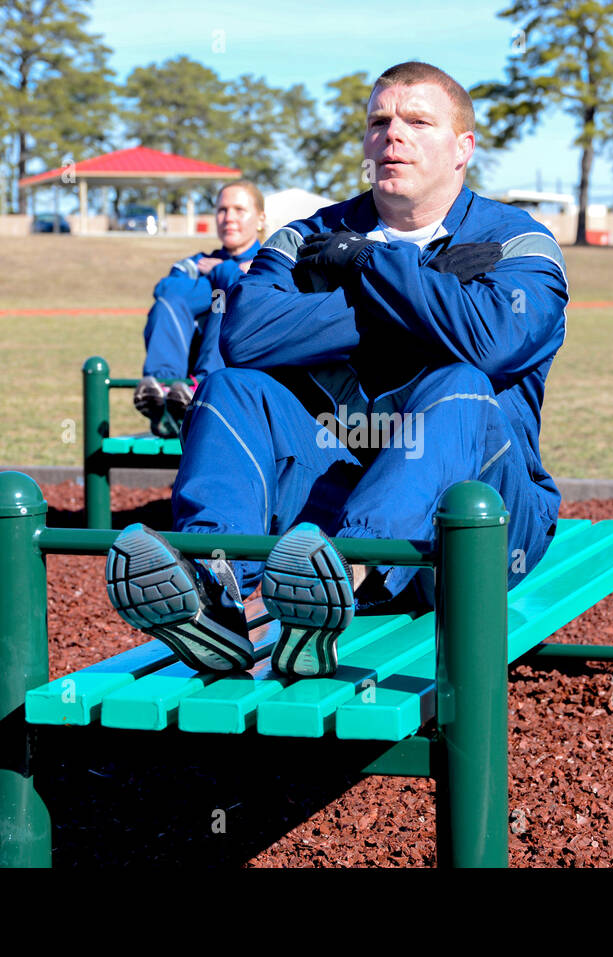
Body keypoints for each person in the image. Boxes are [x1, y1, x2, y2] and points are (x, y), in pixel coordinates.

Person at [105, 61, 567, 679]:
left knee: (458, 383)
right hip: (330, 500)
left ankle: (335, 583)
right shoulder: (310, 235)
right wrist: (418, 301)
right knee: (232, 387)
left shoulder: (517, 239)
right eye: (379, 121)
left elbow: (489, 340)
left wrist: (373, 266)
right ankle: (216, 586)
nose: (392, 135)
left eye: (417, 121)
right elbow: (244, 335)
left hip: (483, 521)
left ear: (463, 149)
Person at [133, 179, 265, 433]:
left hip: (243, 379)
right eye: (222, 210)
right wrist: (230, 275)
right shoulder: (198, 262)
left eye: (239, 210)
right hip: (181, 382)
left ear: (260, 219)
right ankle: (165, 389)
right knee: (166, 306)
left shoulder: (270, 261)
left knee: (225, 300)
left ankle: (203, 389)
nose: (228, 218)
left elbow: (252, 294)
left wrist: (222, 273)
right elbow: (166, 291)